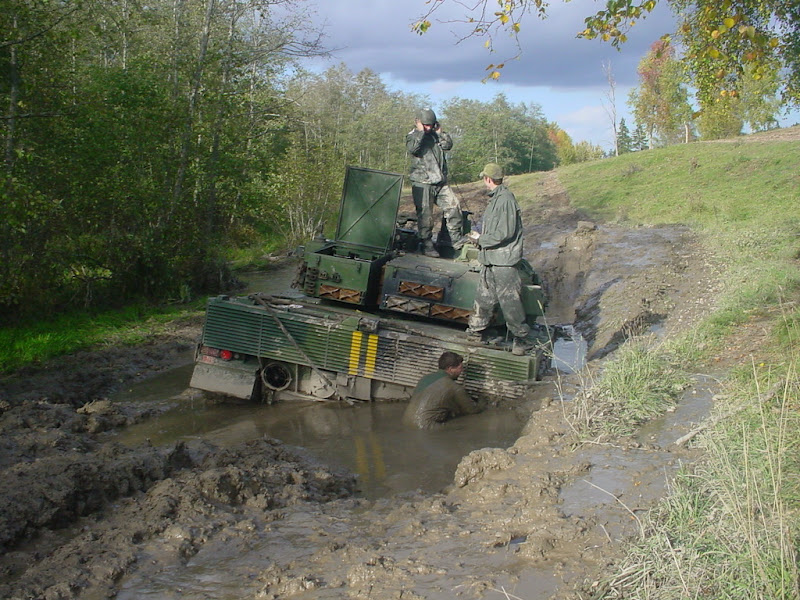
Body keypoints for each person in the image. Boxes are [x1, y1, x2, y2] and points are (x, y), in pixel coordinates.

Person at [465, 163, 534, 356]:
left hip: (504, 261)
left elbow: (505, 232)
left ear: (488, 179)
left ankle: (521, 340)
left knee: (509, 301)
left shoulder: (505, 200)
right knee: (484, 297)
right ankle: (476, 332)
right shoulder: (497, 199)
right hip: (492, 259)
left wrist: (481, 239)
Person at [405, 108, 465, 257]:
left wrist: (440, 132)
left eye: (431, 125)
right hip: (422, 182)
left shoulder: (434, 135)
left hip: (439, 181)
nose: (428, 128)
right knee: (425, 215)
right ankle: (427, 244)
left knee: (454, 207)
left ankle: (456, 240)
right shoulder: (413, 136)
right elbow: (413, 149)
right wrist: (420, 131)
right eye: (425, 125)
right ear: (418, 122)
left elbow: (448, 145)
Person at [402, 351, 482, 429]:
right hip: (426, 427)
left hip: (406, 422)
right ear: (450, 369)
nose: (461, 371)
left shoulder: (425, 378)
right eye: (460, 368)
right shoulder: (454, 387)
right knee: (462, 427)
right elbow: (472, 410)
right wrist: (482, 403)